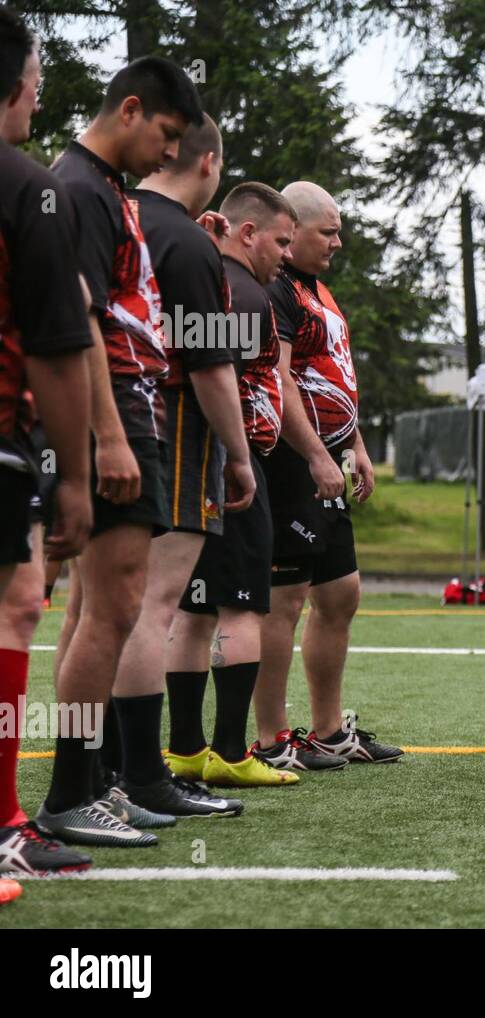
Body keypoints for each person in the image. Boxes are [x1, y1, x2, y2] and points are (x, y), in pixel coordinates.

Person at [37, 55, 202, 848]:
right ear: (130, 110)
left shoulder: (102, 189)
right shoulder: (79, 188)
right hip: (119, 412)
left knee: (96, 607)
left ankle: (90, 781)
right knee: (114, 607)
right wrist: (107, 432)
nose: (169, 154)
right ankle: (71, 791)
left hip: (130, 408)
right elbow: (82, 320)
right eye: (166, 135)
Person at [98, 113, 254, 820]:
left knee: (100, 611)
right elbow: (213, 366)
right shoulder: (187, 241)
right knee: (147, 609)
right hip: (173, 432)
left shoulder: (117, 213)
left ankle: (97, 772)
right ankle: (139, 776)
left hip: (108, 424)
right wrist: (241, 456)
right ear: (208, 162)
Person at [253, 181, 400, 768]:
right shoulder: (277, 290)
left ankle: (328, 730)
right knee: (283, 600)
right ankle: (271, 737)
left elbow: (331, 374)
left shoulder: (321, 290)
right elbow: (281, 378)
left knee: (340, 594)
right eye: (328, 231)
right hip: (292, 460)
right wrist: (314, 453)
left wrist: (355, 444)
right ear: (292, 234)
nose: (338, 241)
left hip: (331, 453)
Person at [0, 6, 95, 875]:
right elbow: (61, 347)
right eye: (35, 75)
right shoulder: (29, 186)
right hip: (1, 438)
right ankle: (0, 821)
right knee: (17, 599)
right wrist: (72, 474)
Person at [168, 182, 301, 786]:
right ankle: (230, 752)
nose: (285, 255)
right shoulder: (245, 292)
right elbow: (217, 376)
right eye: (280, 241)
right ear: (247, 233)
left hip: (194, 469)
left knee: (192, 610)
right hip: (232, 468)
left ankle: (188, 748)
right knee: (240, 609)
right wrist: (240, 455)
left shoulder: (208, 283)